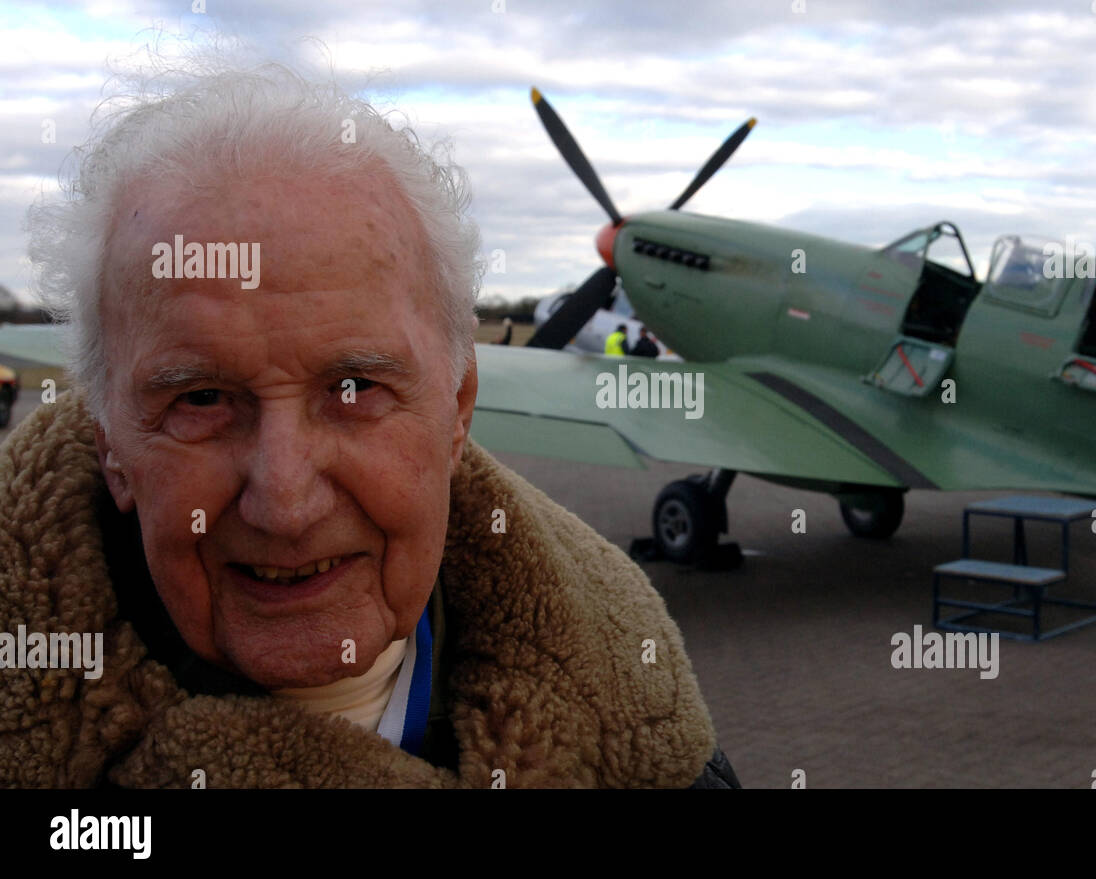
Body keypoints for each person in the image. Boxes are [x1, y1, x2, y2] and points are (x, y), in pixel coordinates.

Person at [3, 60, 739, 789]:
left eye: (354, 387)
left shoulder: (651, 732)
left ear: (457, 410)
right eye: (200, 399)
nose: (285, 504)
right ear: (110, 445)